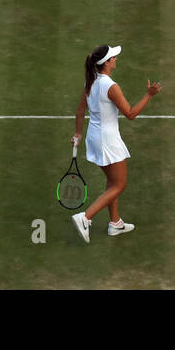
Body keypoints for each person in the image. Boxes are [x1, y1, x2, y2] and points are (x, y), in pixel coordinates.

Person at [70, 45, 162, 242]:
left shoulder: (90, 82)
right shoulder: (111, 86)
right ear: (107, 63)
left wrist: (78, 133)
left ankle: (115, 223)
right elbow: (130, 113)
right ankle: (85, 217)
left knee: (112, 181)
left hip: (94, 139)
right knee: (120, 184)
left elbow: (79, 111)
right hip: (107, 141)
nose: (116, 59)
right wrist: (149, 95)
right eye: (113, 57)